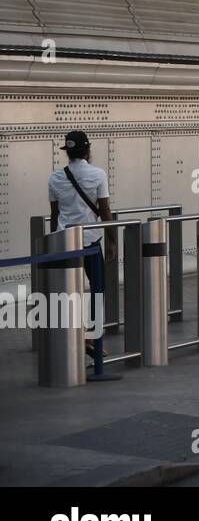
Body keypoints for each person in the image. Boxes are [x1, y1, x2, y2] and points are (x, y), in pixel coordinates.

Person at [48, 130, 114, 365]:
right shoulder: (98, 174)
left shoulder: (55, 177)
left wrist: (54, 243)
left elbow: (55, 214)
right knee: (97, 290)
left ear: (68, 153)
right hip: (91, 241)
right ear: (87, 151)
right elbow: (104, 209)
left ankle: (76, 335)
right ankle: (93, 339)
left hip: (65, 241)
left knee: (70, 292)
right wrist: (113, 240)